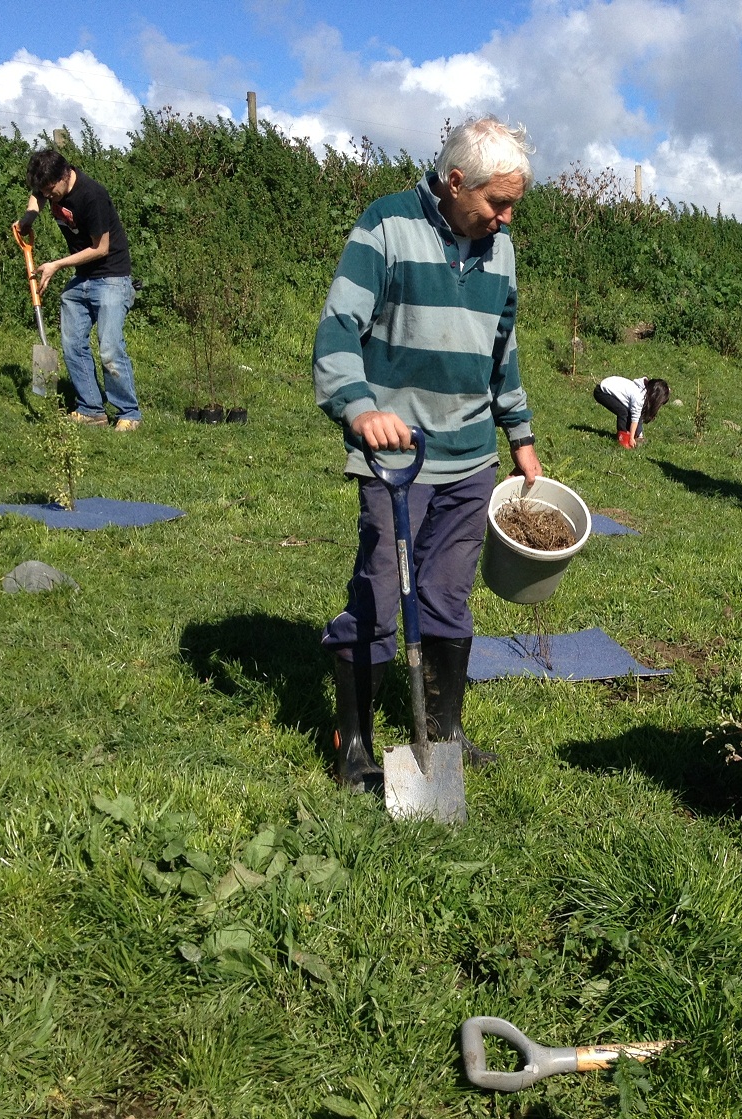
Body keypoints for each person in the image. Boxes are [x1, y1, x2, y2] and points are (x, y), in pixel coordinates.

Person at [313, 116, 542, 793]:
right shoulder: (385, 227)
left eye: (512, 206)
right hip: (396, 458)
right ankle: (353, 742)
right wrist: (361, 409)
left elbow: (505, 352)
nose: (504, 218)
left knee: (447, 596)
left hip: (471, 457)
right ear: (454, 182)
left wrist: (521, 437)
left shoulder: (499, 250)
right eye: (495, 203)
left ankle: (443, 732)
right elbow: (336, 333)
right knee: (380, 595)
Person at [18, 149, 142, 430]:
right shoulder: (49, 188)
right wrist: (29, 218)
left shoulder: (91, 195)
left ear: (64, 176)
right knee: (72, 343)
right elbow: (37, 196)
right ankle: (91, 409)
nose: (48, 197)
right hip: (82, 279)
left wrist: (56, 265)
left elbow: (101, 248)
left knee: (109, 348)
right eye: (45, 192)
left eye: (52, 191)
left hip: (112, 276)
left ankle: (129, 413)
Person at [593, 375, 670, 447]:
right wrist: (631, 439)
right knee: (623, 412)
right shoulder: (639, 397)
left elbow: (638, 416)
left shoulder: (644, 393)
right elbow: (635, 419)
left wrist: (640, 436)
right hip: (601, 391)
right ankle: (623, 439)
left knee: (627, 413)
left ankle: (628, 434)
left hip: (607, 386)